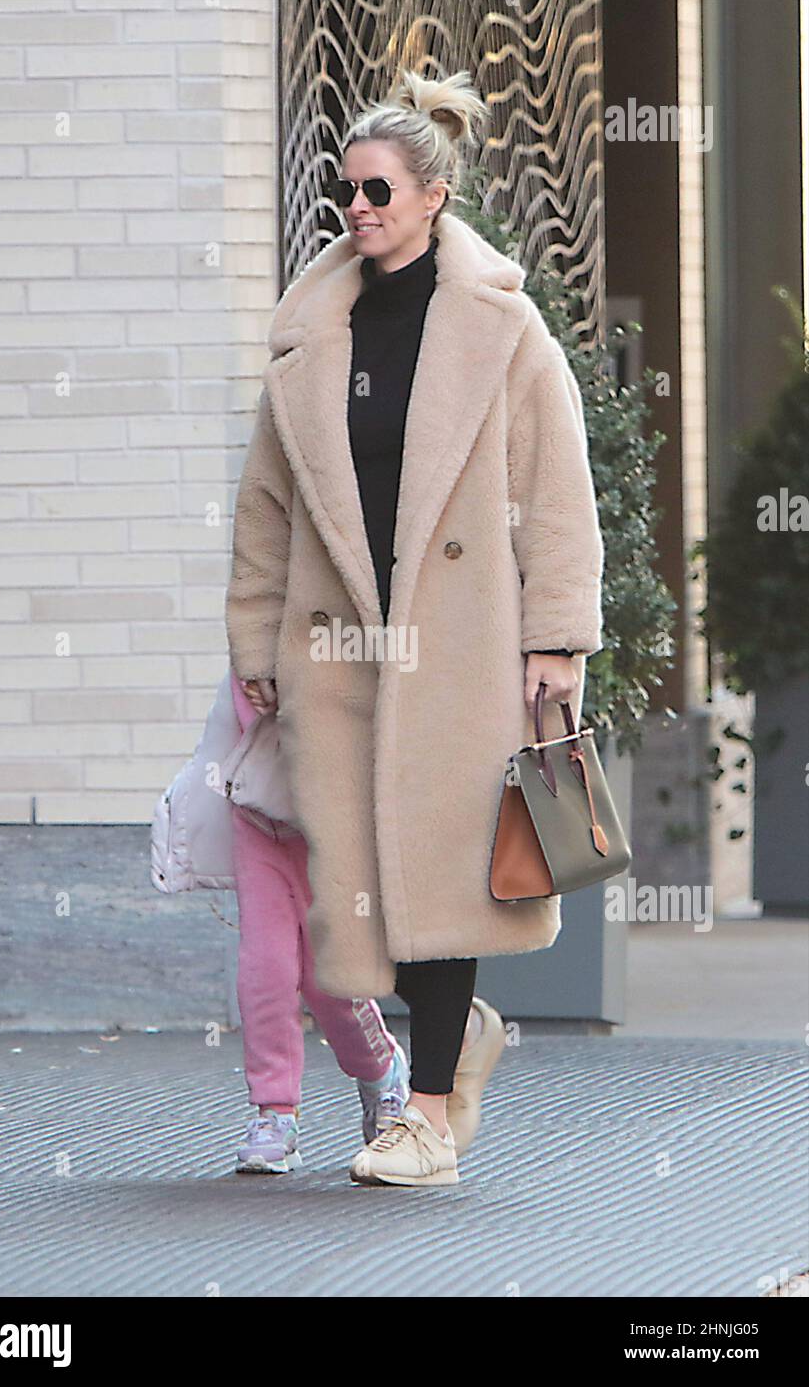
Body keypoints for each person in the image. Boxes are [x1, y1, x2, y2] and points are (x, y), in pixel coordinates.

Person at [226, 68, 604, 1187]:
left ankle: (427, 1117)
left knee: (442, 884)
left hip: (461, 647)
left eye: (379, 189)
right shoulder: (311, 332)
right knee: (360, 904)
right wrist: (255, 646)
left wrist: (556, 636)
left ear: (433, 193)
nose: (359, 208)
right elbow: (265, 510)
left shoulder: (503, 325)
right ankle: (449, 1053)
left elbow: (557, 488)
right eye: (346, 192)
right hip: (339, 651)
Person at [228, 665, 410, 1173]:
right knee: (265, 968)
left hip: (331, 821)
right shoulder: (256, 628)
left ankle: (381, 1071)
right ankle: (274, 1111)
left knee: (328, 976)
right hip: (259, 814)